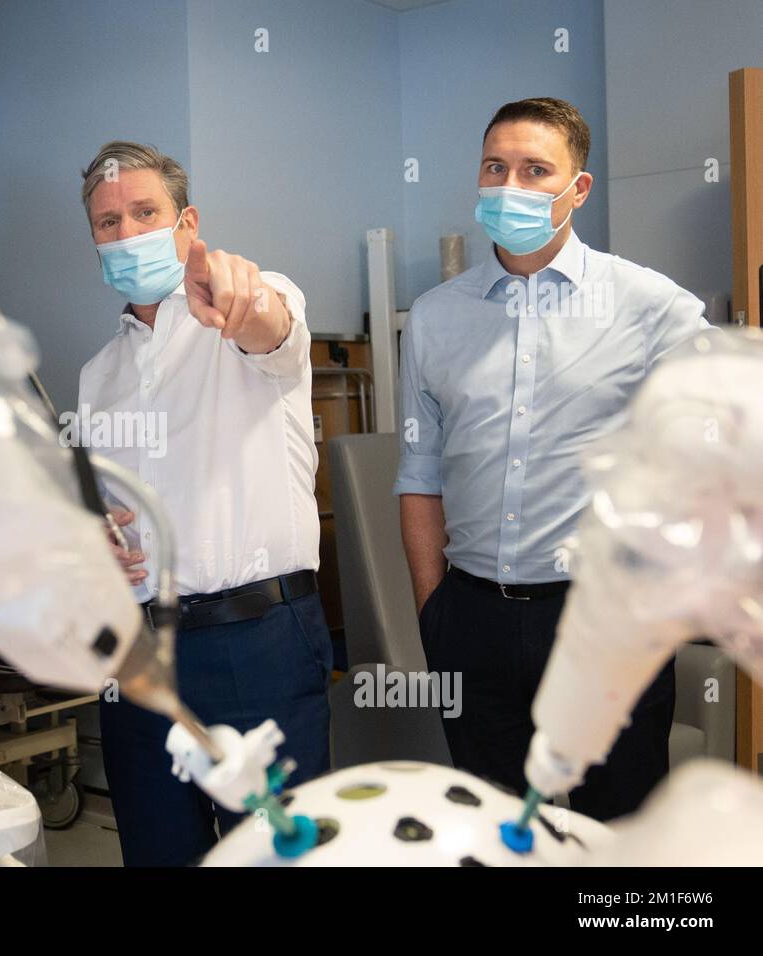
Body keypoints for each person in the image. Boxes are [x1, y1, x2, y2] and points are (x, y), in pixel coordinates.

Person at [394, 98, 710, 821]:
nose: (512, 186)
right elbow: (419, 476)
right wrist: (433, 609)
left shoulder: (647, 304)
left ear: (579, 188)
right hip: (471, 618)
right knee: (497, 825)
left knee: (617, 822)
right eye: (496, 168)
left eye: (537, 170)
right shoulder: (437, 316)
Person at [77, 141, 333, 866]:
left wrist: (239, 297)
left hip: (258, 641)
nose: (126, 234)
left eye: (144, 213)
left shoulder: (245, 309)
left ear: (187, 223)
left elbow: (268, 325)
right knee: (158, 851)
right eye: (107, 222)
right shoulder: (99, 377)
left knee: (277, 853)